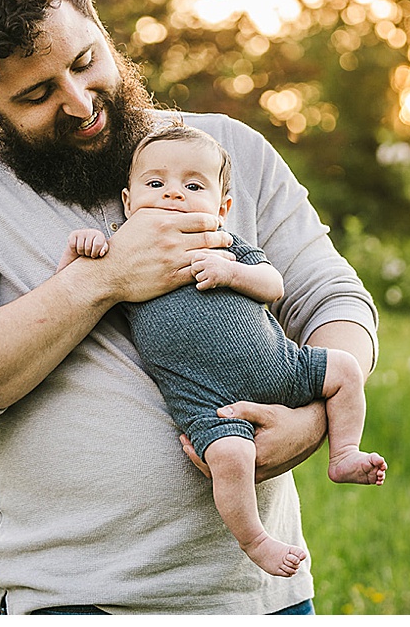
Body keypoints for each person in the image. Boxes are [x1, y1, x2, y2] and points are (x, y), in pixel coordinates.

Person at [0, 0, 379, 615]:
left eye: (85, 61)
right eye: (36, 94)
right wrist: (104, 279)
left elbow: (333, 298)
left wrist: (314, 423)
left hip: (258, 596)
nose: (80, 103)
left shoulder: (226, 152)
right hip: (76, 600)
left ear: (100, 27)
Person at [58, 125, 386, 578]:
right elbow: (72, 296)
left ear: (222, 207)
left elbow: (274, 285)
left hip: (284, 367)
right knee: (232, 458)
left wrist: (230, 271)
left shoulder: (228, 246)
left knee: (345, 368)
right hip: (212, 405)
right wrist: (84, 251)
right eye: (156, 184)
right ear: (129, 202)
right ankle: (255, 539)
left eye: (193, 186)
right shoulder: (121, 254)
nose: (173, 194)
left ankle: (344, 452)